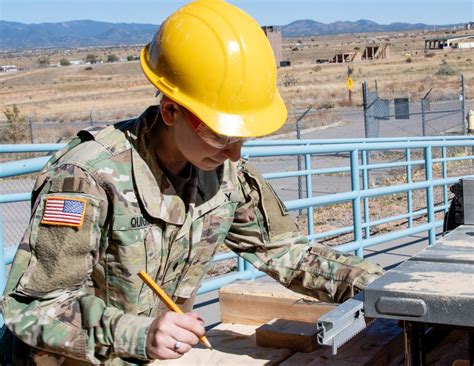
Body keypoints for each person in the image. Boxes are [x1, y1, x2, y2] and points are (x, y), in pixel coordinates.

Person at [0, 0, 383, 364]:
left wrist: (381, 285)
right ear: (170, 110)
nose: (234, 154)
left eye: (242, 137)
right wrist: (137, 333)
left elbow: (284, 252)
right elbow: (36, 306)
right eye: (221, 136)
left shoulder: (226, 173)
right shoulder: (87, 178)